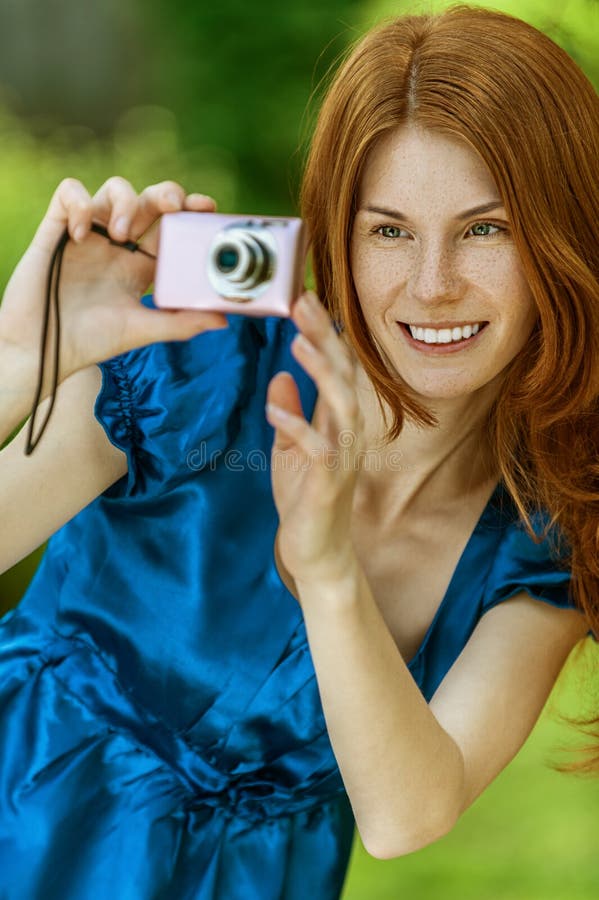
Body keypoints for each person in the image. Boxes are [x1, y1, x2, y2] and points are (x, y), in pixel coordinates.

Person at [0, 5, 597, 898]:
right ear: (337, 237)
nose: (433, 287)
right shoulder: (197, 366)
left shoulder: (539, 537)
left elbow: (405, 815)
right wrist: (17, 360)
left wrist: (326, 574)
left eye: (486, 228)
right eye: (388, 230)